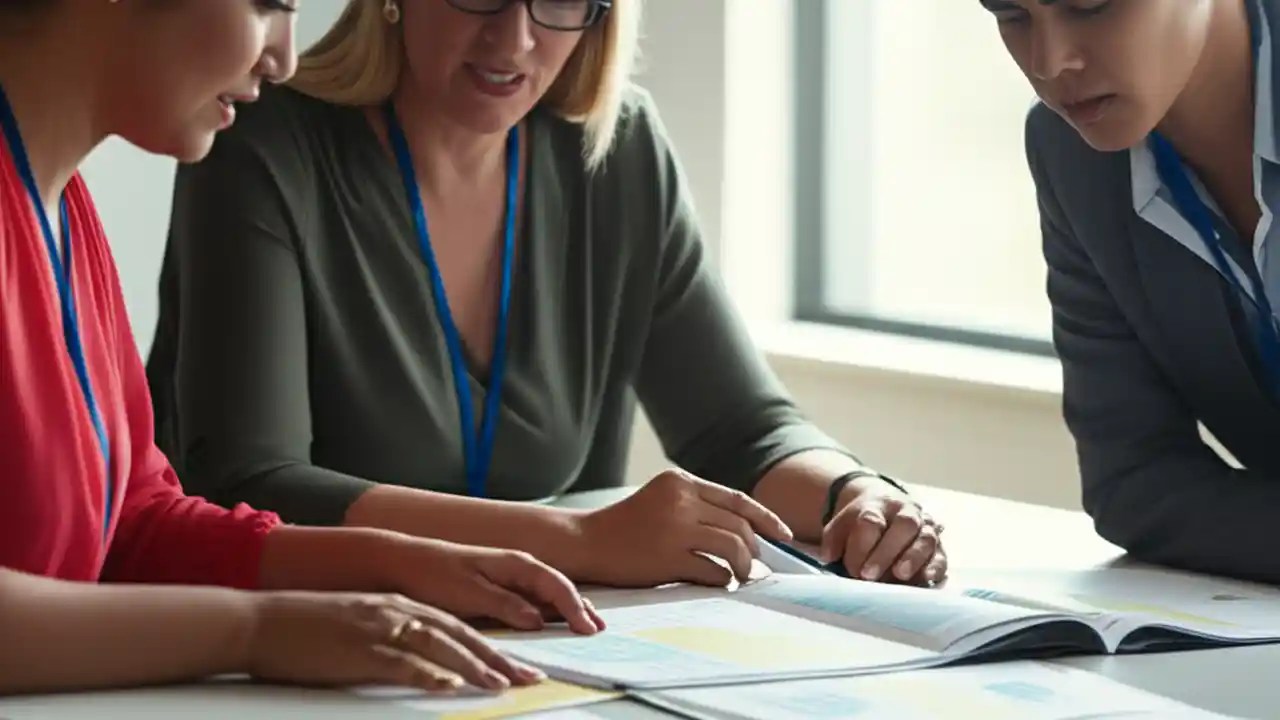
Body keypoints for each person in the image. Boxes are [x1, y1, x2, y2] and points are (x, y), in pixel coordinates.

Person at [145, 0, 949, 588]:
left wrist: (854, 493)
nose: (515, 38)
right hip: (290, 651)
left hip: (542, 656)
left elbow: (743, 429)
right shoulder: (259, 141)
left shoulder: (617, 150)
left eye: (561, 1)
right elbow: (251, 482)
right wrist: (577, 540)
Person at [0, 0, 606, 697]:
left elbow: (132, 527)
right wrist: (255, 631)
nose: (284, 57)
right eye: (268, 5)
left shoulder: (59, 203)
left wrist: (392, 565)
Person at [980, 0, 1280, 583]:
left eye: (1089, 6)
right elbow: (1134, 484)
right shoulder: (1069, 153)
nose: (1048, 63)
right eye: (1011, 14)